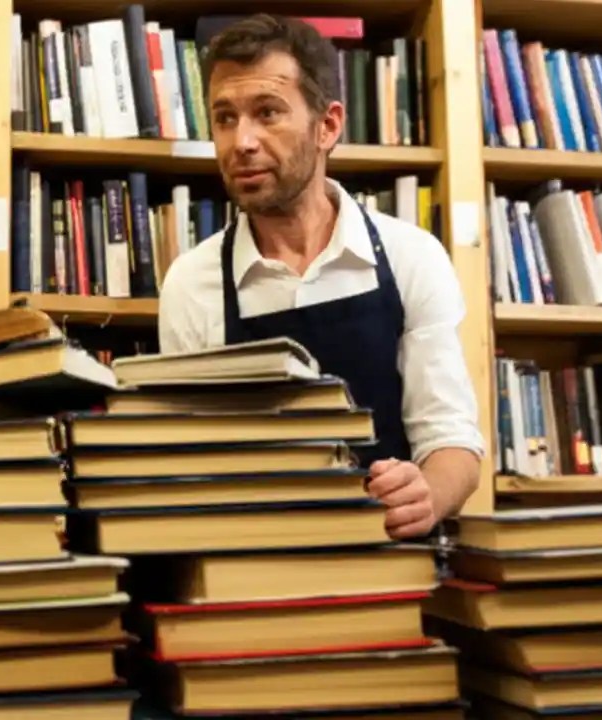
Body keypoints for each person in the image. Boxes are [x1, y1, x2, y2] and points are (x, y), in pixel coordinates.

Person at [157, 14, 484, 540]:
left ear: (328, 125)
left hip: (392, 561)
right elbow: (190, 466)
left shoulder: (411, 257)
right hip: (252, 570)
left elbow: (452, 442)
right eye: (224, 118)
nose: (241, 141)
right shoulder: (191, 284)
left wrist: (427, 494)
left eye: (267, 113)